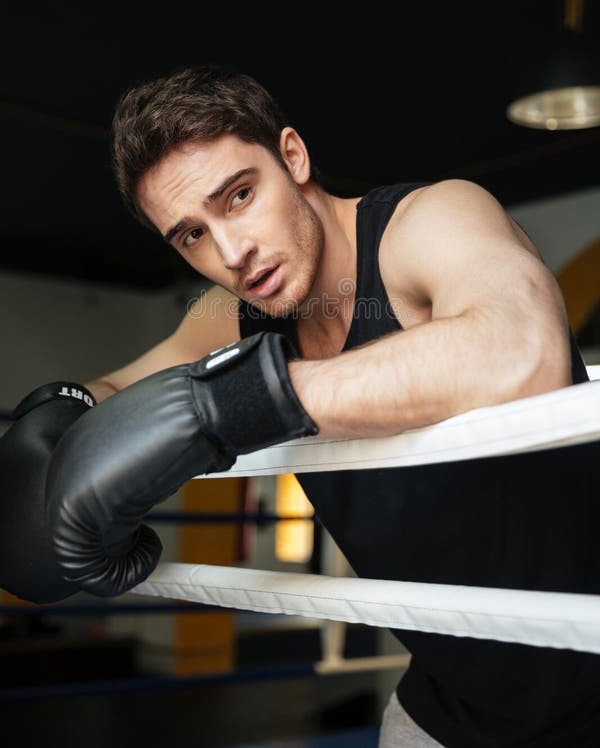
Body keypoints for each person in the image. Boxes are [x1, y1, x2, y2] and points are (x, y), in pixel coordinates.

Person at [1, 64, 598, 747]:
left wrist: (248, 401)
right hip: (450, 705)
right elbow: (114, 391)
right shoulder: (233, 314)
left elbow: (523, 350)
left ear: (294, 157)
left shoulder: (425, 226)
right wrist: (50, 434)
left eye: (239, 195)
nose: (233, 251)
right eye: (192, 234)